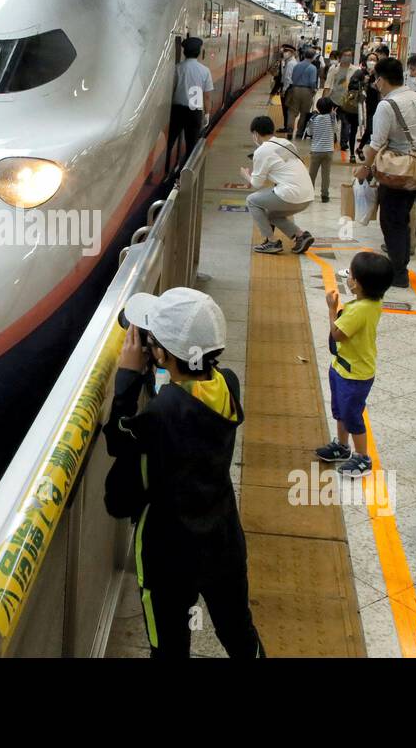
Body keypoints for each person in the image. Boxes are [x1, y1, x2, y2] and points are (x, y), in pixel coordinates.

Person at [102, 287, 264, 659]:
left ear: (159, 352)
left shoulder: (158, 415)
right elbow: (187, 401)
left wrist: (126, 381)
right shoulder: (228, 383)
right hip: (223, 540)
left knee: (170, 647)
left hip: (167, 555)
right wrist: (162, 367)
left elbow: (120, 449)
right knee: (239, 632)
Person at [314, 251, 394, 478]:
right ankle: (341, 446)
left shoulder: (360, 310)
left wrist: (331, 309)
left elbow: (337, 334)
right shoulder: (371, 301)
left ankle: (362, 458)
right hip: (343, 367)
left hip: (354, 374)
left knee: (352, 415)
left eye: (350, 274)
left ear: (357, 285)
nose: (347, 277)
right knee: (341, 410)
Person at [355, 57, 416, 289]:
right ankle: (400, 265)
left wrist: (365, 167)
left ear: (380, 80)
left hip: (399, 171)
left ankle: (399, 273)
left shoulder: (386, 105)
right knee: (401, 219)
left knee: (391, 221)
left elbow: (376, 142)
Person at [241, 114, 315, 254]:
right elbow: (283, 165)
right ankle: (301, 235)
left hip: (292, 194)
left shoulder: (261, 151)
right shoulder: (286, 143)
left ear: (256, 134)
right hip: (307, 195)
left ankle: (272, 242)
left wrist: (247, 175)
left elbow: (257, 184)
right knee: (272, 214)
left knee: (252, 200)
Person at [169, 36, 214, 175]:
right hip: (195, 111)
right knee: (191, 145)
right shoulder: (204, 70)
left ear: (184, 52)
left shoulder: (177, 68)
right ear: (199, 52)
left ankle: (166, 169)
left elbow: (172, 89)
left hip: (176, 111)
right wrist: (207, 114)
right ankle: (186, 175)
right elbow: (206, 96)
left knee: (170, 141)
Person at [323, 49, 359, 159]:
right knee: (332, 120)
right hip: (334, 99)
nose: (347, 57)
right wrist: (324, 99)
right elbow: (328, 84)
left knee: (346, 123)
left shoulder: (355, 70)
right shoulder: (334, 69)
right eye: (345, 55)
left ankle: (344, 143)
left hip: (348, 101)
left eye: (349, 55)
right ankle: (331, 138)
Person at [307, 96, 337, 203]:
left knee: (312, 174)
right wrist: (333, 115)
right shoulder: (332, 117)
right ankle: (325, 196)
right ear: (330, 108)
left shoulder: (313, 119)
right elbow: (335, 130)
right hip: (328, 151)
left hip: (316, 150)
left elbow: (309, 133)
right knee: (326, 175)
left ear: (318, 108)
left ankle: (309, 194)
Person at [288, 49, 320, 141]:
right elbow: (312, 82)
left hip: (295, 89)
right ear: (313, 57)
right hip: (307, 91)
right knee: (304, 113)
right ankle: (299, 132)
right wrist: (313, 90)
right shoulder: (312, 68)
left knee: (292, 111)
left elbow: (292, 78)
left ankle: (290, 130)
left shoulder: (297, 65)